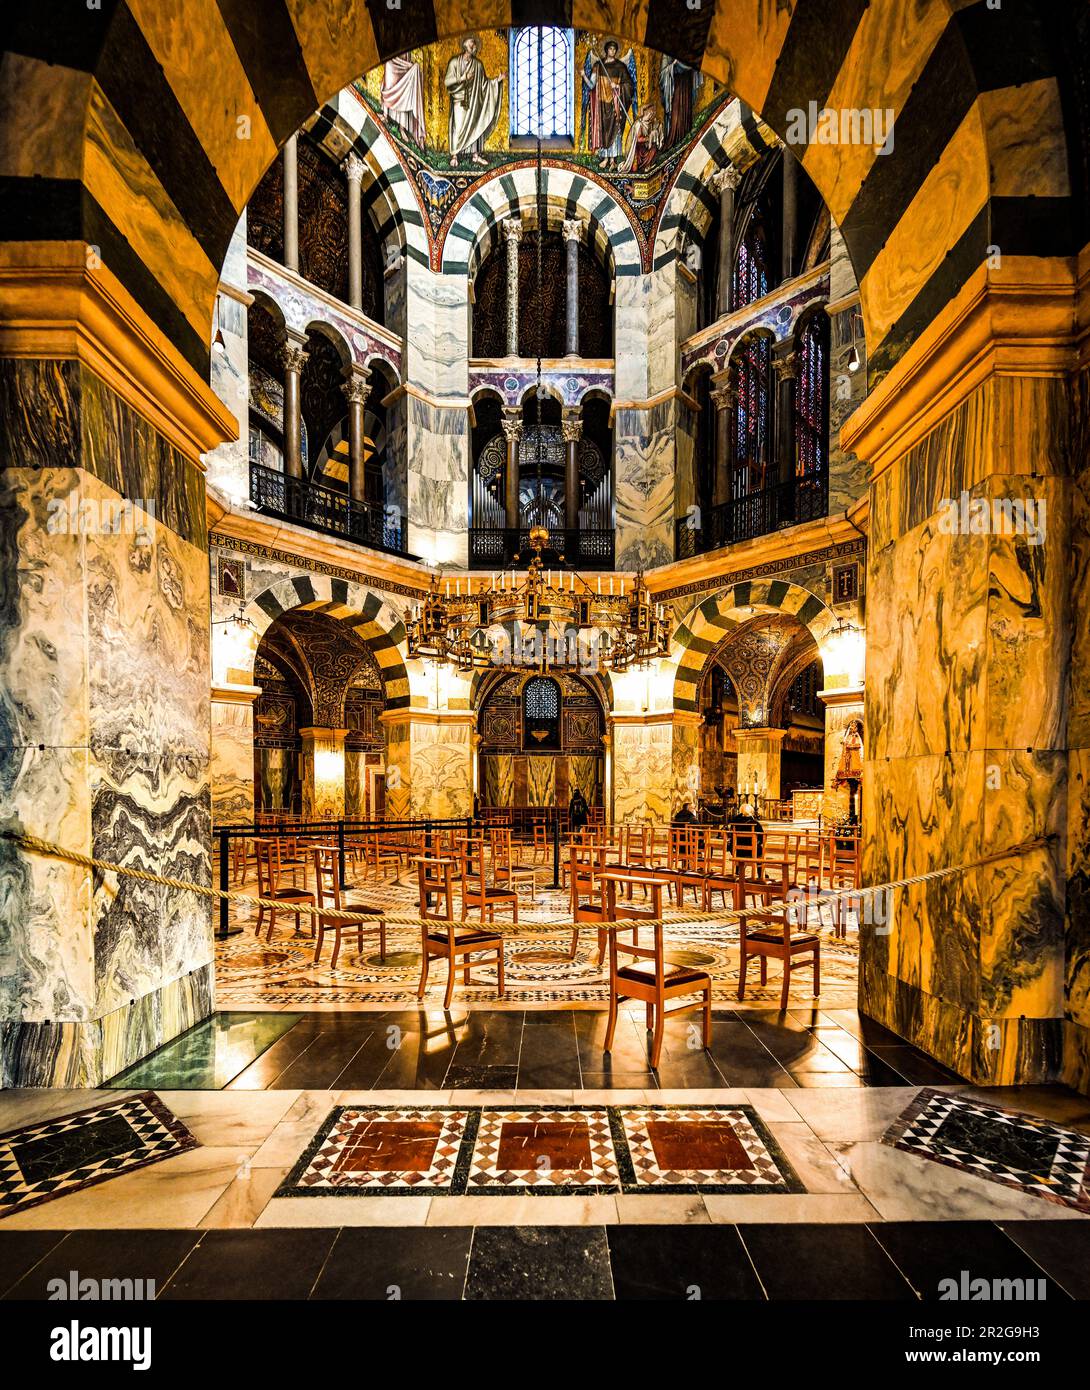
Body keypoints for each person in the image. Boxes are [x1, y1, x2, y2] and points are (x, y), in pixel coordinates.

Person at [444, 36, 504, 168]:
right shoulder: (454, 62)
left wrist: (496, 81)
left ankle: (475, 155)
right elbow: (447, 82)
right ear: (464, 45)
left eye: (475, 45)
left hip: (474, 99)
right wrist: (462, 78)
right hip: (459, 99)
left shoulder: (478, 65)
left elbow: (484, 84)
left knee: (475, 124)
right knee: (458, 127)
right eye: (471, 43)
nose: (474, 46)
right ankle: (455, 155)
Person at [582, 39, 636, 170]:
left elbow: (629, 86)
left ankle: (613, 160)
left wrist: (617, 86)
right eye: (610, 49)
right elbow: (591, 85)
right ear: (606, 50)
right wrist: (584, 76)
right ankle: (605, 158)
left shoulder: (621, 67)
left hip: (615, 104)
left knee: (615, 130)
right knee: (603, 132)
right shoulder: (598, 66)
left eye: (614, 49)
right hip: (601, 104)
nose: (612, 51)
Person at [381, 54, 427, 148]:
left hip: (404, 58)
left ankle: (402, 127)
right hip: (392, 56)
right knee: (388, 81)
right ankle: (385, 114)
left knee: (405, 91)